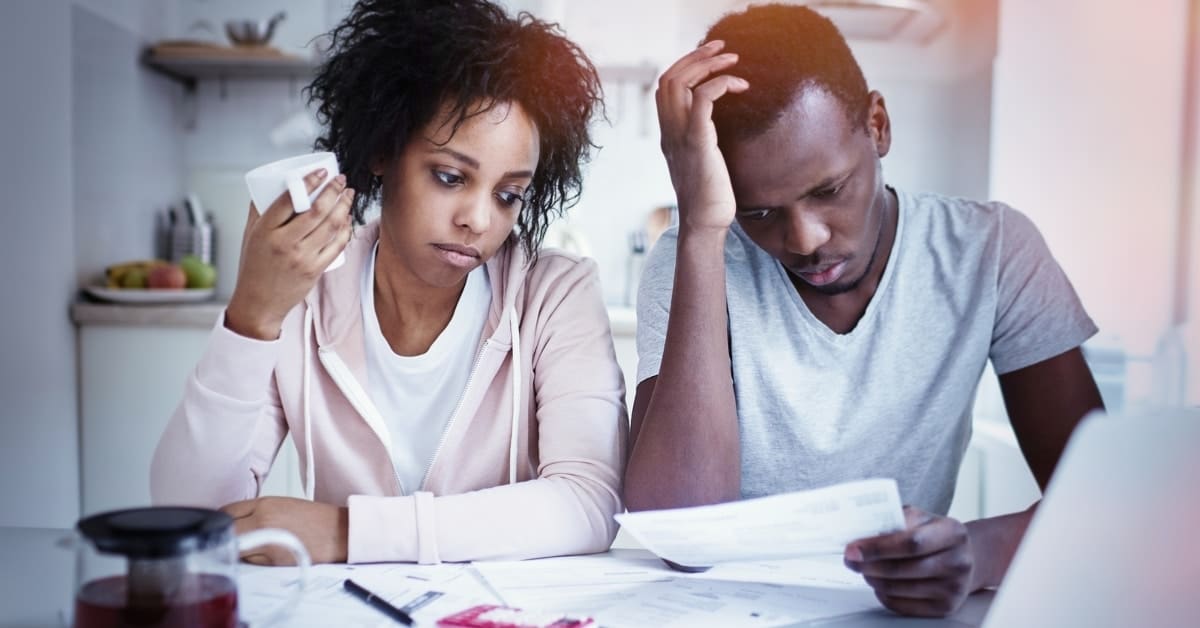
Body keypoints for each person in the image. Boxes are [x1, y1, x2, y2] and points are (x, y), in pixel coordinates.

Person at [625, 3, 1104, 618]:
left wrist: (978, 553)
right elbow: (680, 535)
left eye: (828, 191)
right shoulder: (695, 254)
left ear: (877, 125)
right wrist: (700, 227)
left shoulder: (992, 251)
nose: (805, 240)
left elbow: (1102, 505)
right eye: (759, 212)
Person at [151, 0, 627, 566]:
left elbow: (590, 502)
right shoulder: (309, 290)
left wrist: (349, 532)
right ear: (382, 149)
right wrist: (252, 317)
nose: (478, 218)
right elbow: (192, 515)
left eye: (508, 195)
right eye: (450, 177)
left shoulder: (555, 294)